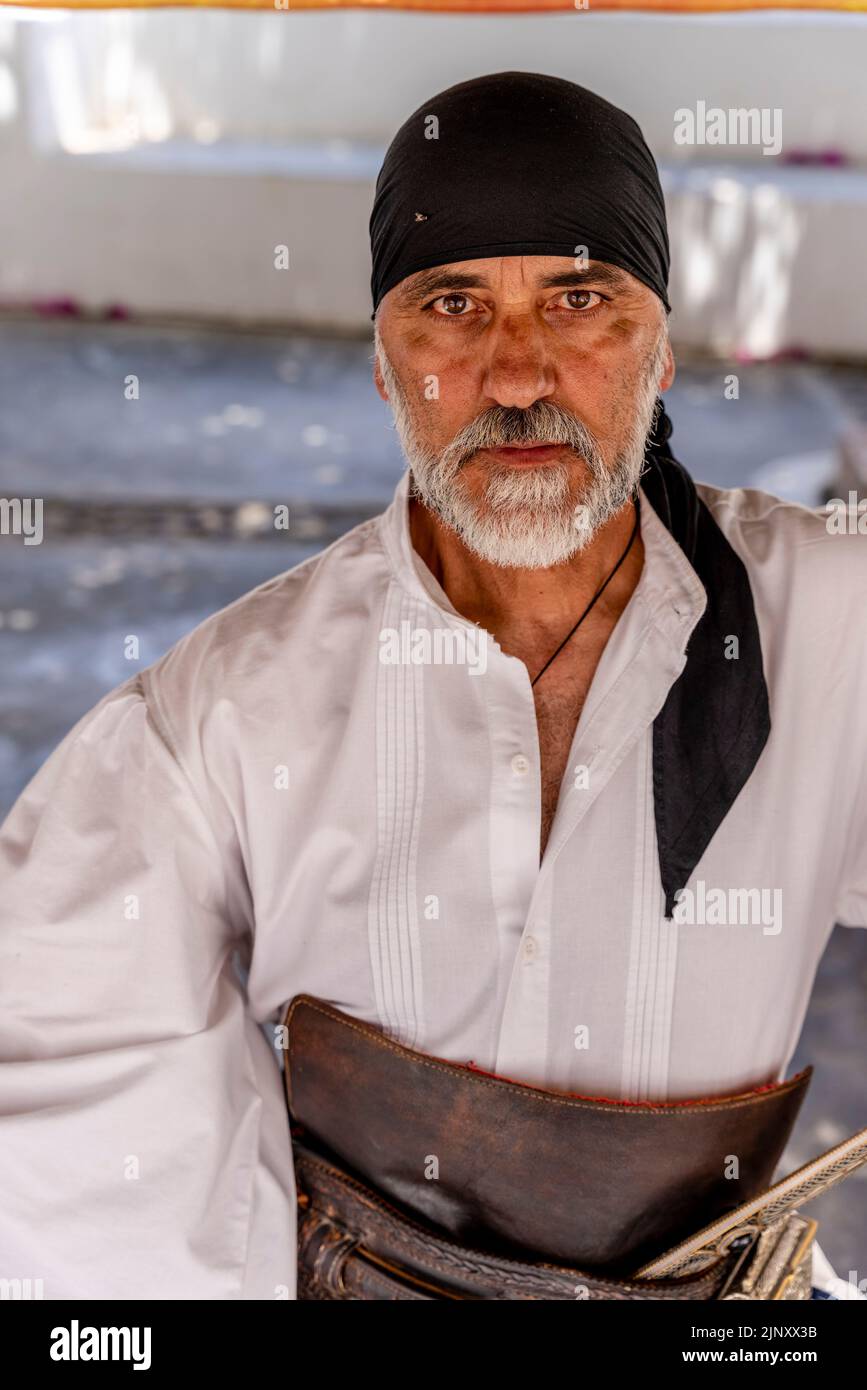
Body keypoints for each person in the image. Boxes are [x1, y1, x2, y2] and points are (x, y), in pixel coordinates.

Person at [1, 71, 865, 1301]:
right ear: (380, 359)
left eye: (581, 300)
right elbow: (59, 1064)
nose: (517, 377)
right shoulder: (232, 709)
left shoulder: (831, 620)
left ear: (661, 348)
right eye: (453, 306)